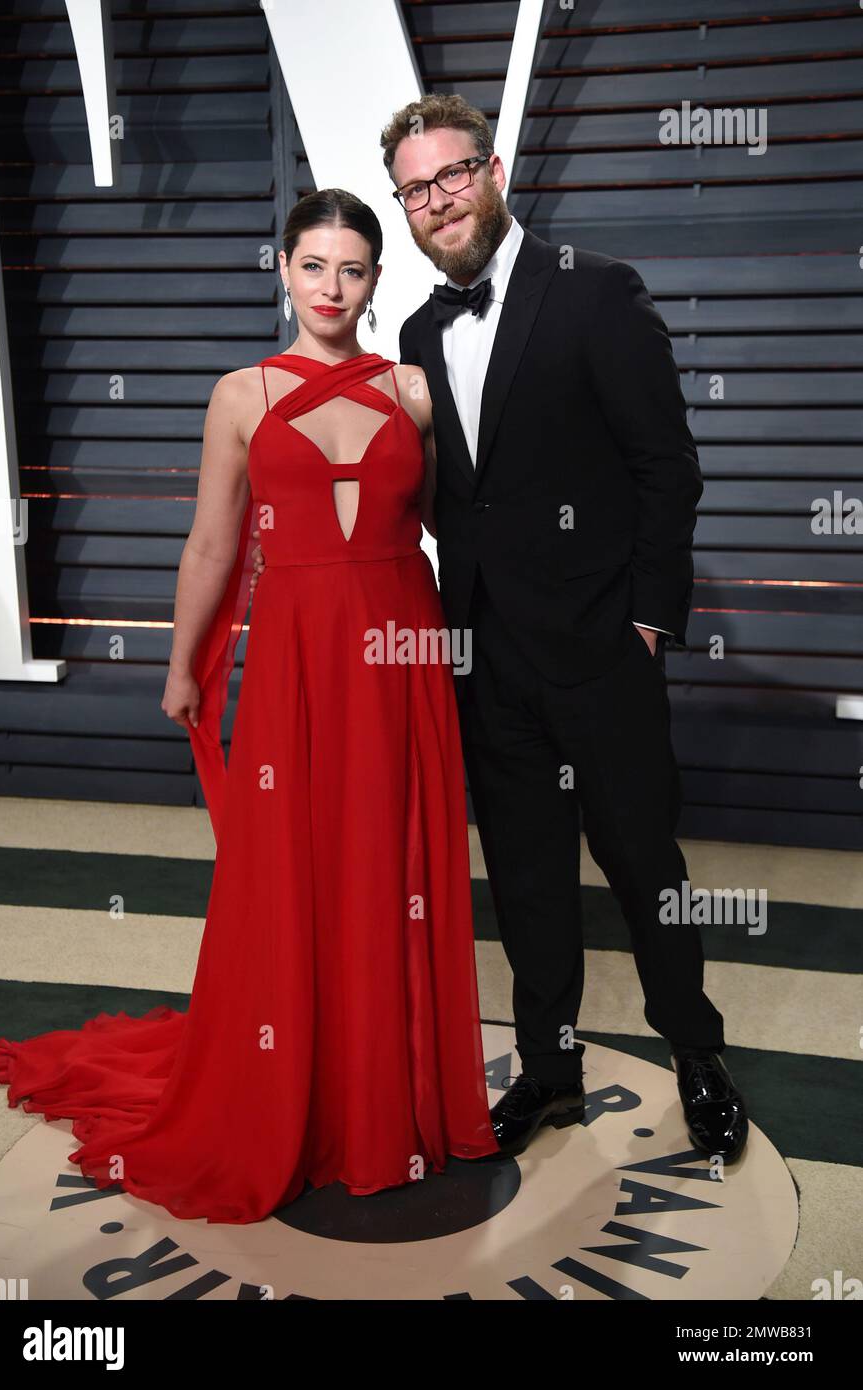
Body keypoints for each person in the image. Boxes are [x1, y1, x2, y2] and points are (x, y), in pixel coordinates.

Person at [0, 188, 501, 1225]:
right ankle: (298, 1094)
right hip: (299, 662)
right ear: (282, 269)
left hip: (400, 654)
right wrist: (184, 665)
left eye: (351, 269)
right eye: (313, 265)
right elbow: (214, 544)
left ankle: (391, 1101)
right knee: (296, 871)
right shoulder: (241, 395)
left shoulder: (412, 389)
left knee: (392, 868)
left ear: (374, 279)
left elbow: (457, 525)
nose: (331, 288)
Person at [254, 94, 749, 1166]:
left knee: (640, 866)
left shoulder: (595, 294)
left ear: (492, 171)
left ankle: (698, 1058)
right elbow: (441, 498)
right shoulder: (423, 330)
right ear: (406, 204)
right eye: (416, 188)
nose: (438, 200)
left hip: (601, 653)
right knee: (523, 878)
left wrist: (648, 622)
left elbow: (667, 468)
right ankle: (547, 1070)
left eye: (453, 175)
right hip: (480, 657)